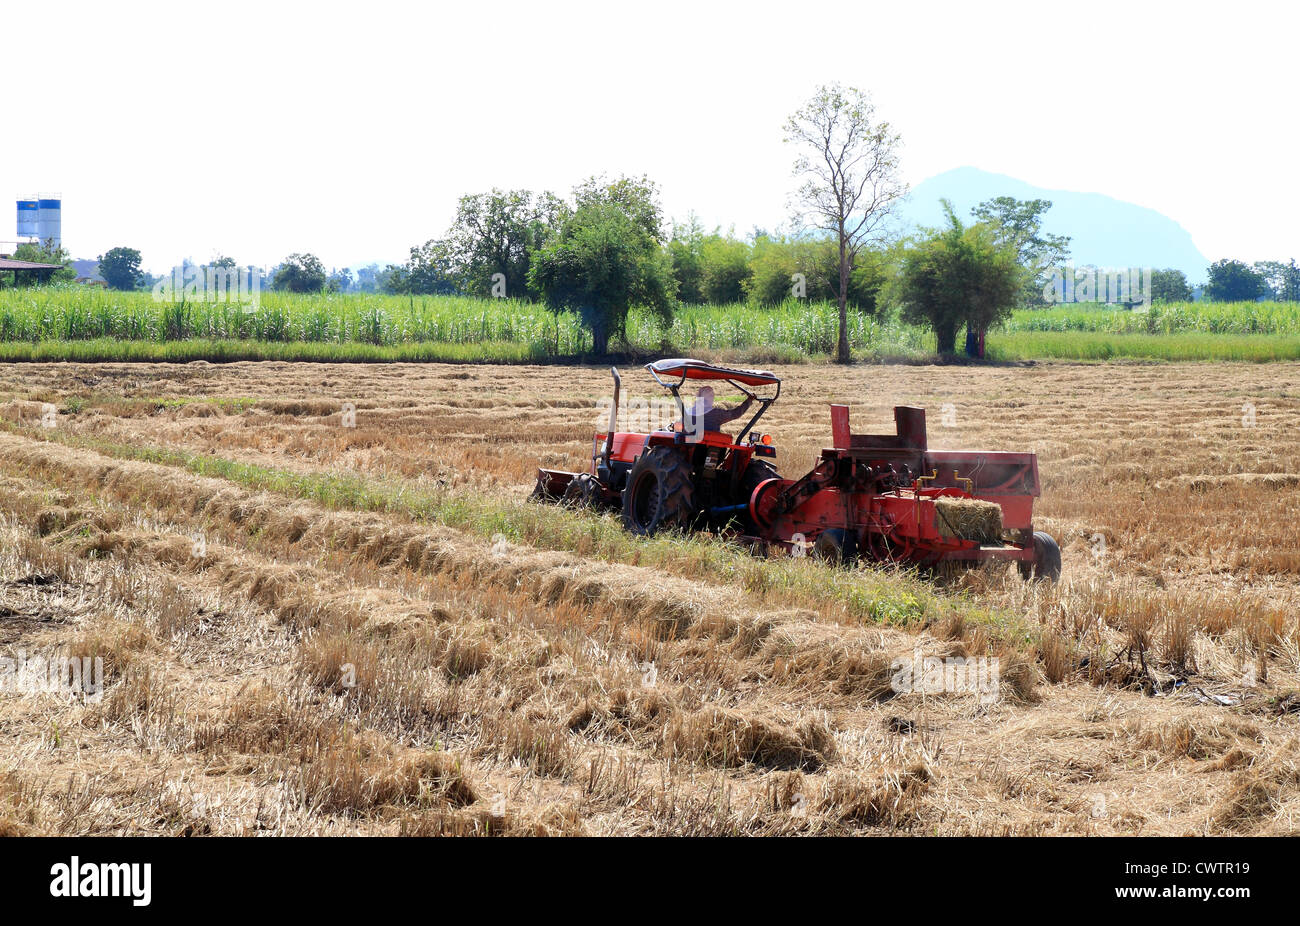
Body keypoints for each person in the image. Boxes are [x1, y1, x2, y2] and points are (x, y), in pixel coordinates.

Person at [682, 385, 753, 438]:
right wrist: (749, 400)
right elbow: (736, 414)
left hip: (688, 443)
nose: (712, 398)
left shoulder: (687, 412)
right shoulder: (715, 413)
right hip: (710, 444)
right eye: (711, 396)